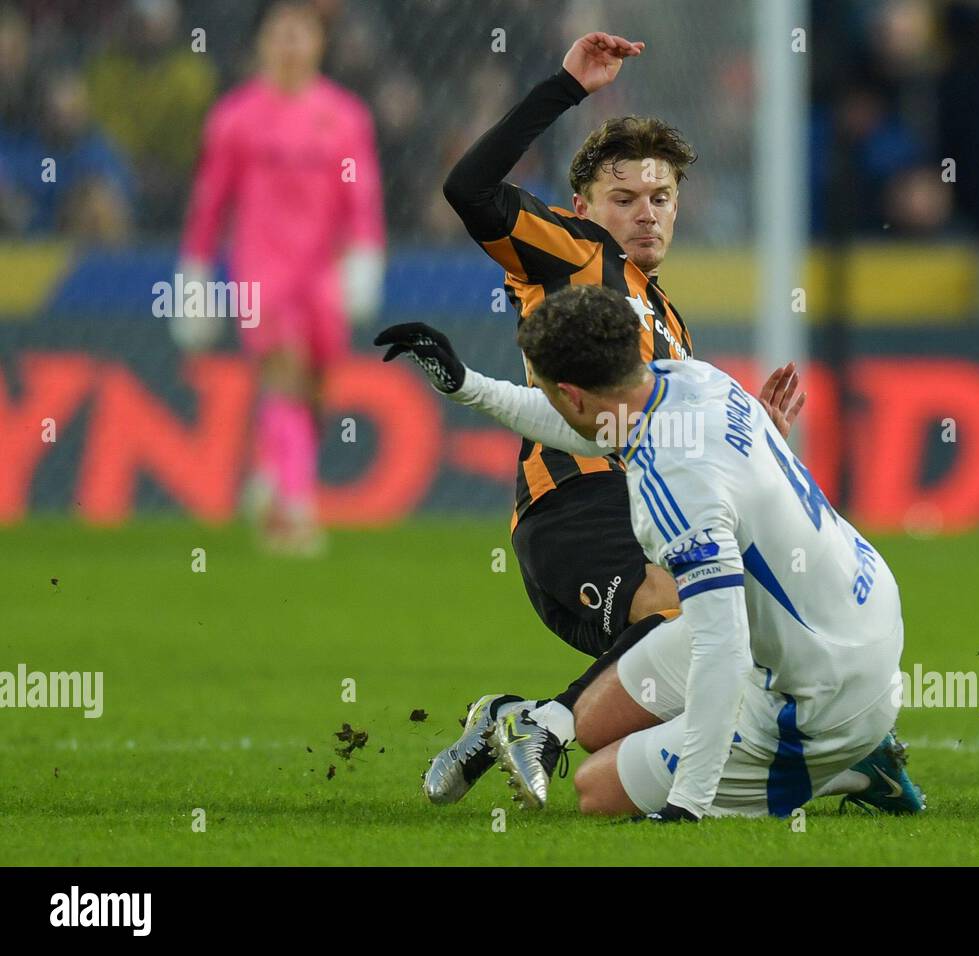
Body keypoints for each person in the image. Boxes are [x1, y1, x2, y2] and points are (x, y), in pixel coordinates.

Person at [424, 31, 805, 806]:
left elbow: (672, 436)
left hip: (639, 514)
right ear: (582, 209)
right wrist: (566, 86)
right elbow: (469, 188)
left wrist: (758, 435)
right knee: (683, 609)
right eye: (624, 198)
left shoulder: (669, 318)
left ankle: (511, 715)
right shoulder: (571, 253)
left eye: (661, 199)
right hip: (574, 497)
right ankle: (545, 724)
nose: (646, 215)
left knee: (696, 660)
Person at [375, 285, 925, 819]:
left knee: (596, 788)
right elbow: (587, 427)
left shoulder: (676, 481)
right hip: (859, 607)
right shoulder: (686, 380)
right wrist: (466, 386)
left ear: (571, 394)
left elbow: (724, 648)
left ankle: (852, 763)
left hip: (822, 696)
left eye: (547, 392)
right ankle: (522, 719)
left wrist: (687, 804)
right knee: (589, 723)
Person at [175, 0, 385, 554]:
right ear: (264, 42)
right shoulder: (235, 117)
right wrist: (194, 270)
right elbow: (210, 202)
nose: (291, 44)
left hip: (321, 273)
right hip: (260, 274)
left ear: (318, 44)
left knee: (315, 385)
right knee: (284, 370)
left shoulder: (345, 116)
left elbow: (359, 196)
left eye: (301, 34)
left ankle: (272, 472)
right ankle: (296, 506)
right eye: (281, 34)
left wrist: (365, 254)